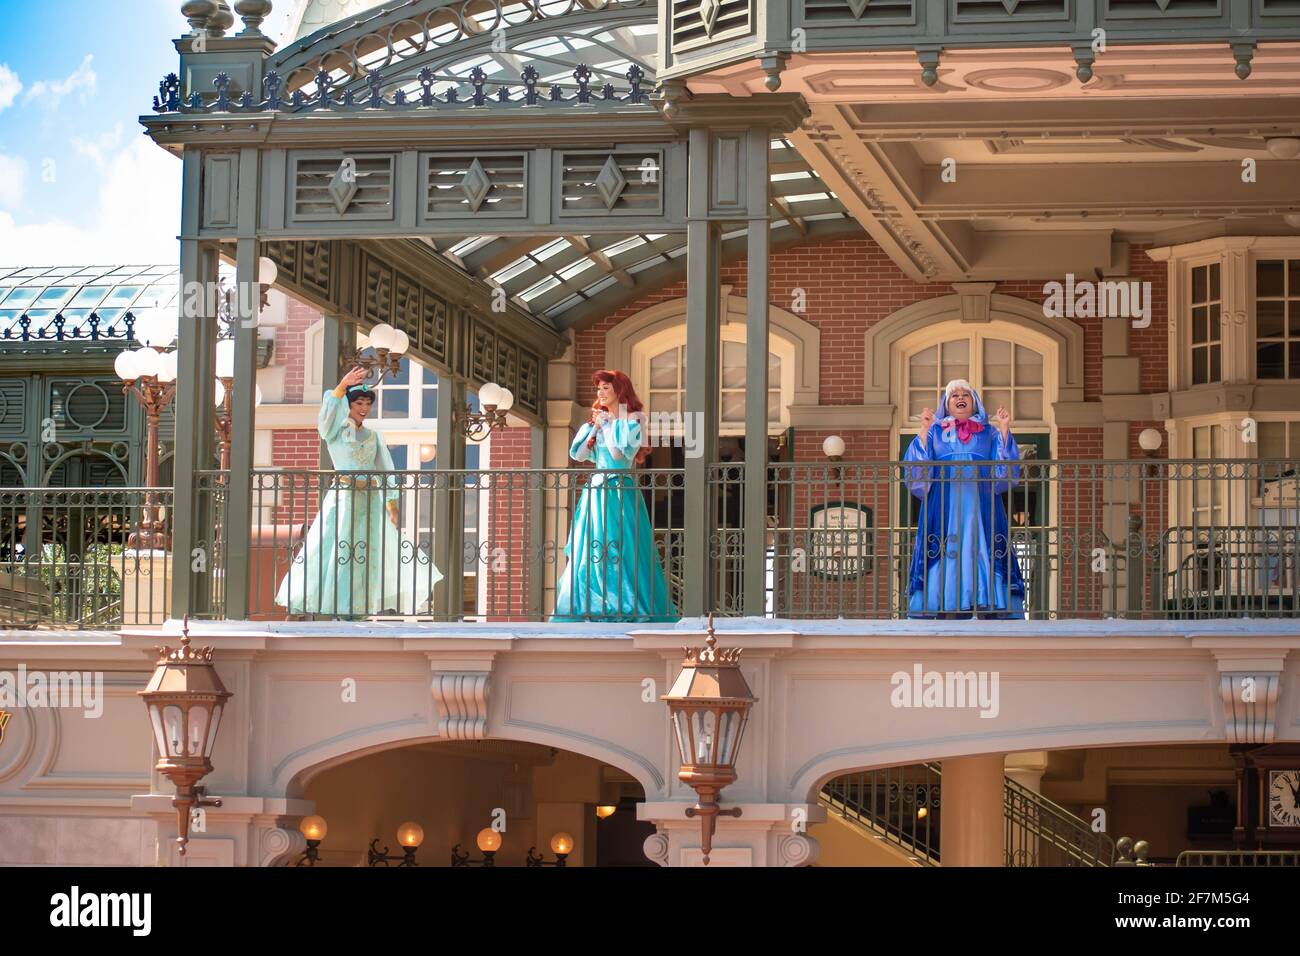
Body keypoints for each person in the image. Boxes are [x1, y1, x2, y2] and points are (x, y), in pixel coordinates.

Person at [276, 366, 441, 617]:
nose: (364, 408)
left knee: (367, 554)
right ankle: (322, 604)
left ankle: (358, 609)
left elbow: (386, 473)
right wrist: (342, 386)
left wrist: (392, 508)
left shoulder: (374, 437)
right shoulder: (335, 432)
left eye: (367, 403)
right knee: (334, 549)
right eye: (359, 403)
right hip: (343, 498)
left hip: (371, 501)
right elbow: (323, 423)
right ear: (349, 405)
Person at [551, 370, 676, 622]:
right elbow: (579, 456)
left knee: (623, 545)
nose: (601, 393)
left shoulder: (634, 419)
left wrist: (608, 426)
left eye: (606, 388)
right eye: (599, 389)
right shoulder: (597, 421)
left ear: (620, 390)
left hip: (620, 490)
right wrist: (594, 428)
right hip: (596, 491)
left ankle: (625, 604)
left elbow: (619, 455)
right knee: (591, 546)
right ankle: (591, 605)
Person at [903, 379, 1025, 618]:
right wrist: (925, 430)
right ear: (946, 404)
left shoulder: (988, 432)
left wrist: (1004, 430)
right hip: (944, 505)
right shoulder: (936, 431)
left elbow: (1005, 475)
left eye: (965, 394)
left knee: (981, 544)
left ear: (974, 402)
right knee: (946, 547)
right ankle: (945, 600)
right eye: (954, 395)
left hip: (982, 505)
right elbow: (917, 476)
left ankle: (986, 600)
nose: (960, 397)